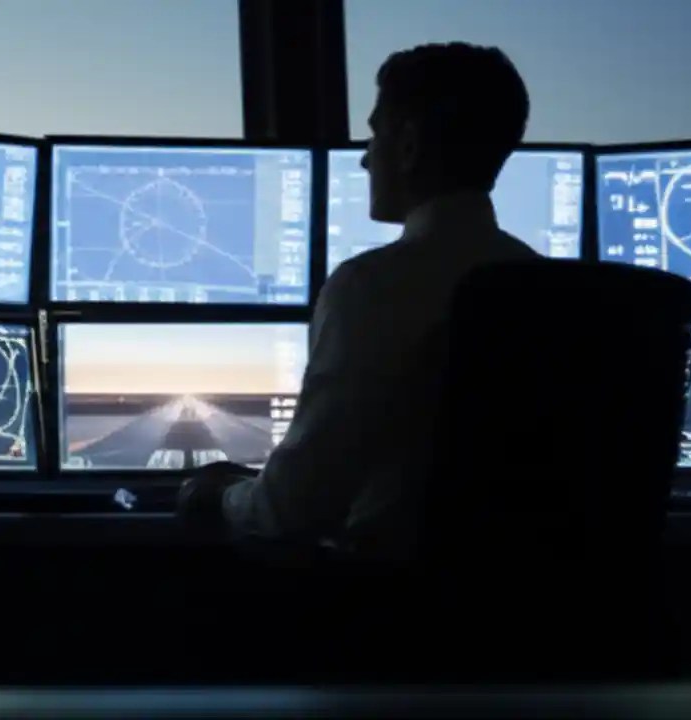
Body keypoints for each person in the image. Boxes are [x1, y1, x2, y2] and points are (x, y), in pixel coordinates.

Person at [179, 42, 541, 562]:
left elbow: (292, 510)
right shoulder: (549, 287)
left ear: (409, 147)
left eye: (374, 133)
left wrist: (214, 494)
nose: (366, 157)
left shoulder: (370, 286)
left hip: (389, 616)